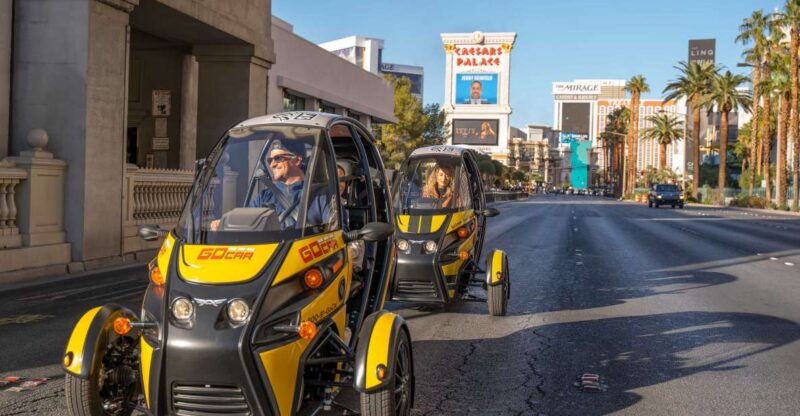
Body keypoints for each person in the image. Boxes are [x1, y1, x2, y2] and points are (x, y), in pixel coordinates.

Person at [211, 139, 333, 231]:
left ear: (297, 160)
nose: (272, 164)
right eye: (270, 160)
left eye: (278, 158)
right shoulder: (265, 195)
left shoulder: (322, 195)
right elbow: (246, 222)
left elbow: (337, 236)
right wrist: (223, 223)